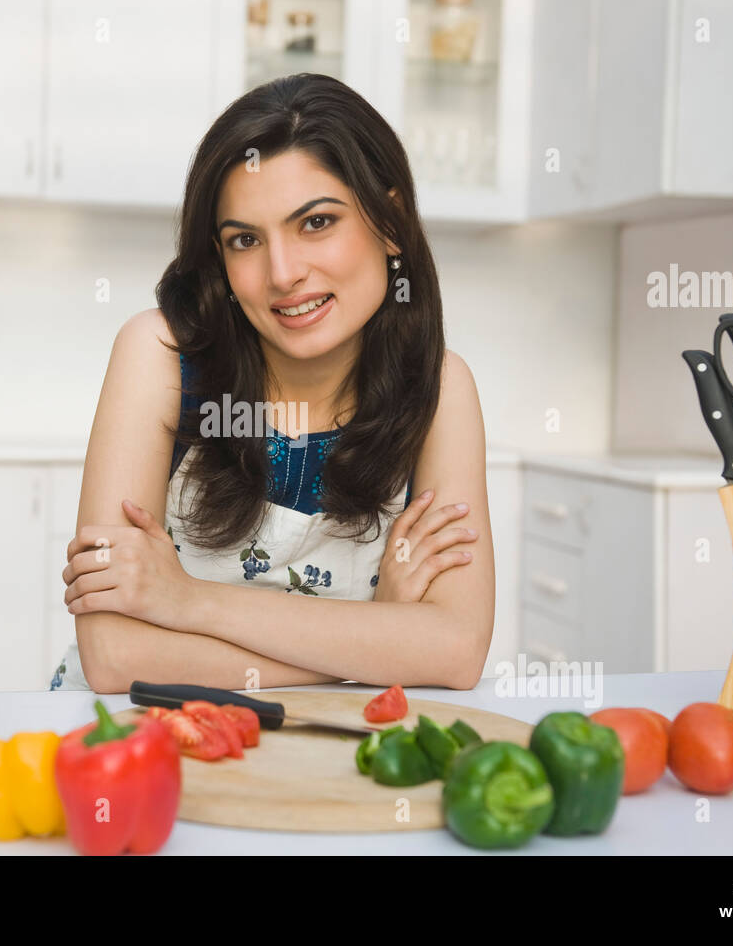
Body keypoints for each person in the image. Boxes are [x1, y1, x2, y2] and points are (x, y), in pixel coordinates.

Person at [49, 73, 494, 693]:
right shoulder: (157, 356)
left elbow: (456, 651)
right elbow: (114, 658)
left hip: (327, 753)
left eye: (315, 223)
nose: (282, 274)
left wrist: (187, 601)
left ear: (390, 221)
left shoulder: (440, 389)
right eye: (246, 240)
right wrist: (380, 637)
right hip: (145, 742)